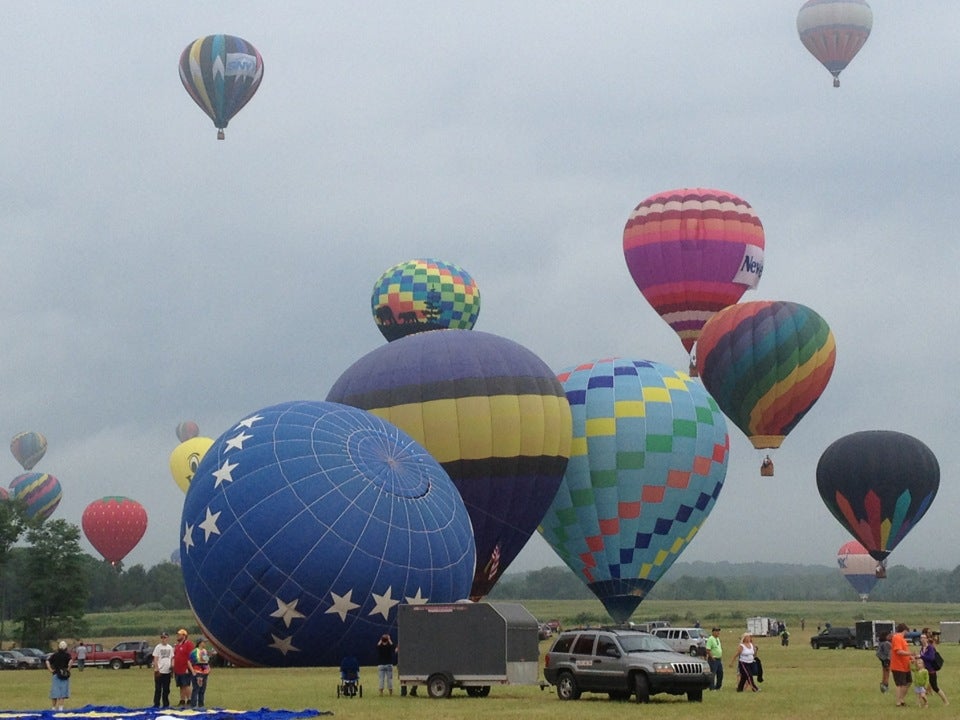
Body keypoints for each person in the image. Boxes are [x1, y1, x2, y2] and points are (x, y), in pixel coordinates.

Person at [919, 629, 948, 705]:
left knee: (935, 687)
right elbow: (922, 659)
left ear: (927, 639)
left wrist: (921, 656)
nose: (922, 639)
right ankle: (924, 703)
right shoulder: (922, 648)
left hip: (931, 670)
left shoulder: (930, 648)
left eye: (924, 638)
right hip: (924, 670)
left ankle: (945, 701)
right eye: (921, 638)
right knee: (922, 687)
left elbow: (931, 658)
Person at [889, 622, 914, 707]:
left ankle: (901, 699)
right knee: (900, 684)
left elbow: (905, 651)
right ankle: (898, 701)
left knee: (908, 682)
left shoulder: (902, 639)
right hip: (898, 666)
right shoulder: (897, 637)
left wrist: (911, 657)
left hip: (905, 666)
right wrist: (910, 653)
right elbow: (899, 651)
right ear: (904, 630)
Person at [45, 640, 72, 711]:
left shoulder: (55, 655)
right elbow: (70, 662)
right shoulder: (67, 655)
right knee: (63, 692)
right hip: (64, 675)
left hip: (56, 674)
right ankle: (61, 707)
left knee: (55, 692)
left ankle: (53, 707)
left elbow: (47, 661)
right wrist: (68, 670)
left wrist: (50, 670)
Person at [173, 629, 195, 706]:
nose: (178, 636)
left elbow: (191, 656)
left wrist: (188, 668)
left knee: (186, 684)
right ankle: (182, 700)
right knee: (181, 685)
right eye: (177, 635)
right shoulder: (177, 645)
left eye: (179, 635)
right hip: (178, 669)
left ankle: (189, 700)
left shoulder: (189, 644)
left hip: (185, 669)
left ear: (184, 636)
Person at [152, 631, 175, 708]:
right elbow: (155, 658)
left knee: (166, 689)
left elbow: (172, 658)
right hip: (160, 671)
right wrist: (156, 668)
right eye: (162, 637)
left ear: (167, 638)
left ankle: (166, 704)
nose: (163, 639)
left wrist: (172, 665)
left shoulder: (170, 647)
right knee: (158, 689)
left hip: (167, 672)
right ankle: (156, 704)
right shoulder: (158, 647)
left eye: (164, 637)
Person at [188, 637, 211, 707]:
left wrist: (208, 668)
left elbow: (206, 661)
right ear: (200, 643)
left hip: (205, 673)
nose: (205, 643)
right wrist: (192, 671)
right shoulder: (194, 651)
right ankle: (193, 705)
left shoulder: (205, 651)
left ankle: (201, 705)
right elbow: (189, 661)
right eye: (204, 642)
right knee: (196, 689)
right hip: (197, 672)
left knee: (202, 689)